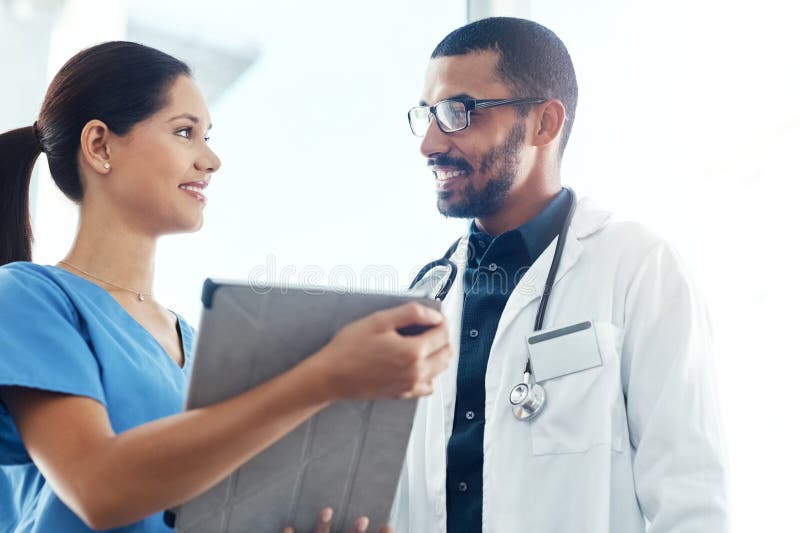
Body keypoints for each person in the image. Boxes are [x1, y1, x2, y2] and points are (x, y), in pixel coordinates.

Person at [0, 41, 449, 532]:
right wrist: (324, 378)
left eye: (206, 136)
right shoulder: (28, 298)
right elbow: (97, 488)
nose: (211, 160)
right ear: (100, 145)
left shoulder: (196, 345)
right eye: (185, 132)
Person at [391, 17, 729, 532]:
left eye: (458, 113)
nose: (430, 143)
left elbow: (691, 498)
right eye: (427, 115)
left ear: (544, 123)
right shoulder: (423, 298)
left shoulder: (636, 267)